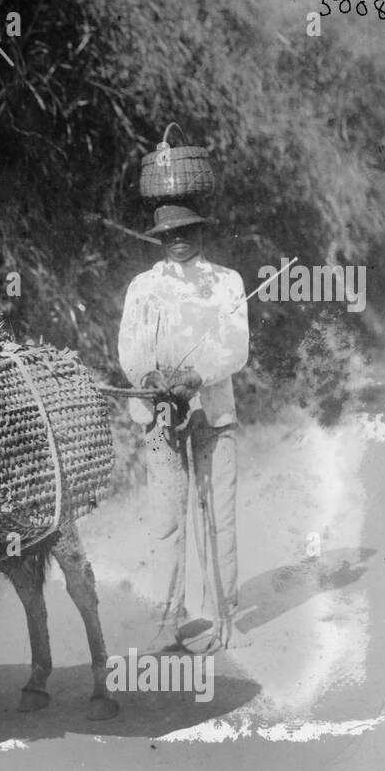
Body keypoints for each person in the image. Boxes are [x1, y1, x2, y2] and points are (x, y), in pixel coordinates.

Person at [117, 203, 249, 654]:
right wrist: (149, 378)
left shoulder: (226, 282)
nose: (179, 239)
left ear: (201, 231)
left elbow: (235, 349)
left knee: (217, 515)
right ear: (158, 237)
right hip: (161, 416)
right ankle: (166, 623)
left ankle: (219, 617)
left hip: (212, 411)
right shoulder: (144, 287)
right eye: (170, 232)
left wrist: (197, 376)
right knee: (165, 521)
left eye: (187, 229)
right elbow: (129, 351)